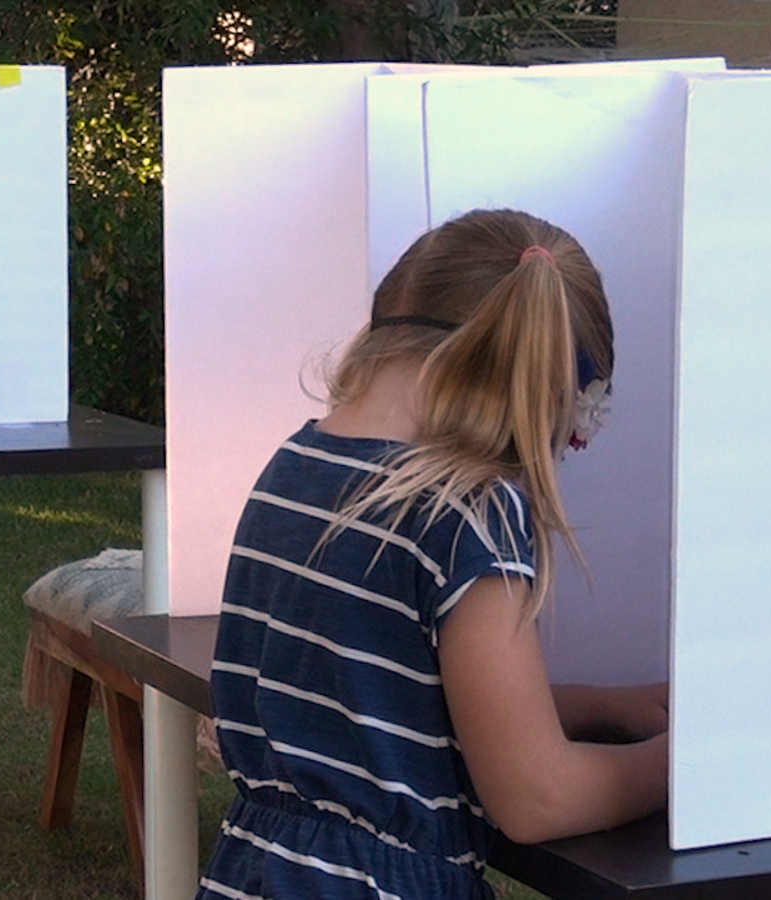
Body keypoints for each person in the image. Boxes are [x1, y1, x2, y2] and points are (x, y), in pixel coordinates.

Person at [198, 209, 668, 900]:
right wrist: (681, 765)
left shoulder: (293, 468)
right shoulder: (466, 513)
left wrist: (600, 707)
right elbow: (536, 797)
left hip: (256, 873)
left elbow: (395, 708)